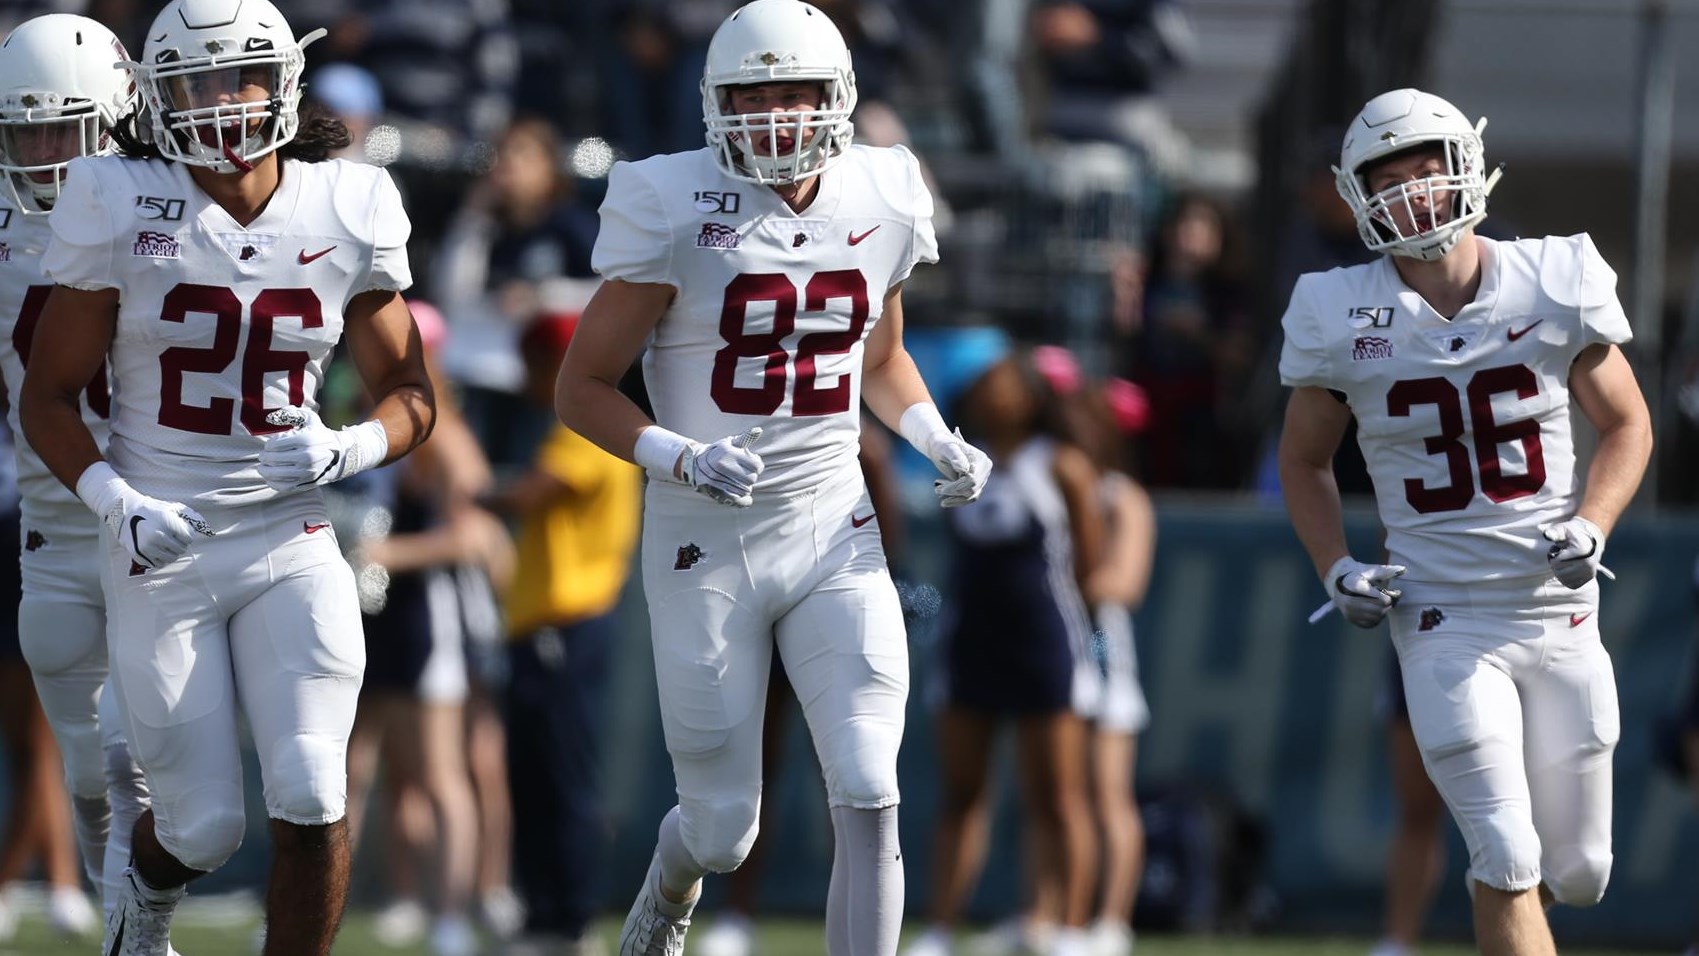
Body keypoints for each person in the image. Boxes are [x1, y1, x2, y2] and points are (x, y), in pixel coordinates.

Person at [554, 2, 991, 954]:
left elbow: (879, 360)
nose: (776, 117)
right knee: (720, 830)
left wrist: (932, 436)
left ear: (837, 101)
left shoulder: (879, 193)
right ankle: (667, 897)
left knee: (871, 782)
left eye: (795, 93)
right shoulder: (669, 202)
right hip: (703, 536)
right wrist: (680, 453)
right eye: (753, 95)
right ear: (714, 105)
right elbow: (580, 387)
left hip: (835, 522)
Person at [17, 0, 436, 953]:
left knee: (313, 791)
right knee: (202, 828)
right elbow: (48, 397)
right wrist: (115, 502)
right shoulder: (115, 194)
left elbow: (411, 391)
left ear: (283, 81)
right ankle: (147, 897)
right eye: (194, 84)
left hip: (292, 533)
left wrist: (351, 448)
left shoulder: (350, 201)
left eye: (239, 77)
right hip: (160, 543)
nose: (220, 104)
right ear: (155, 100)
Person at [1276, 89, 1652, 956]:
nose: (1410, 195)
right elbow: (1302, 462)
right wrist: (1334, 566)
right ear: (1354, 193)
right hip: (1441, 616)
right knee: (1504, 848)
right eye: (1388, 179)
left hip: (1556, 607)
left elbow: (1627, 422)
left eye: (1425, 172)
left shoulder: (1551, 278)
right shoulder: (1338, 311)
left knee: (1580, 870)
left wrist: (1592, 523)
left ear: (1466, 171)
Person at [0, 12, 154, 941]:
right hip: (58, 524)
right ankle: (132, 933)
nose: (49, 155)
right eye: (29, 131)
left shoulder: (170, 201)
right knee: (97, 780)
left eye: (69, 127)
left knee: (181, 786)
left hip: (170, 516)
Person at [903, 347, 1103, 956]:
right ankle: (939, 929)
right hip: (970, 645)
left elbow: (1090, 567)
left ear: (1033, 397)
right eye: (984, 384)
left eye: (1007, 382)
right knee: (962, 793)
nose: (994, 393)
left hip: (1045, 646)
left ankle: (1068, 929)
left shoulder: (1062, 465)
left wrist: (1097, 647)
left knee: (1058, 799)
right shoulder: (957, 462)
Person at [484, 310, 641, 956]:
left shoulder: (591, 422)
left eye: (535, 361)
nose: (527, 377)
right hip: (544, 629)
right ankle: (544, 913)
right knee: (535, 774)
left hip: (567, 626)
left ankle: (569, 918)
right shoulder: (578, 424)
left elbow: (533, 493)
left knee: (563, 776)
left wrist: (471, 493)